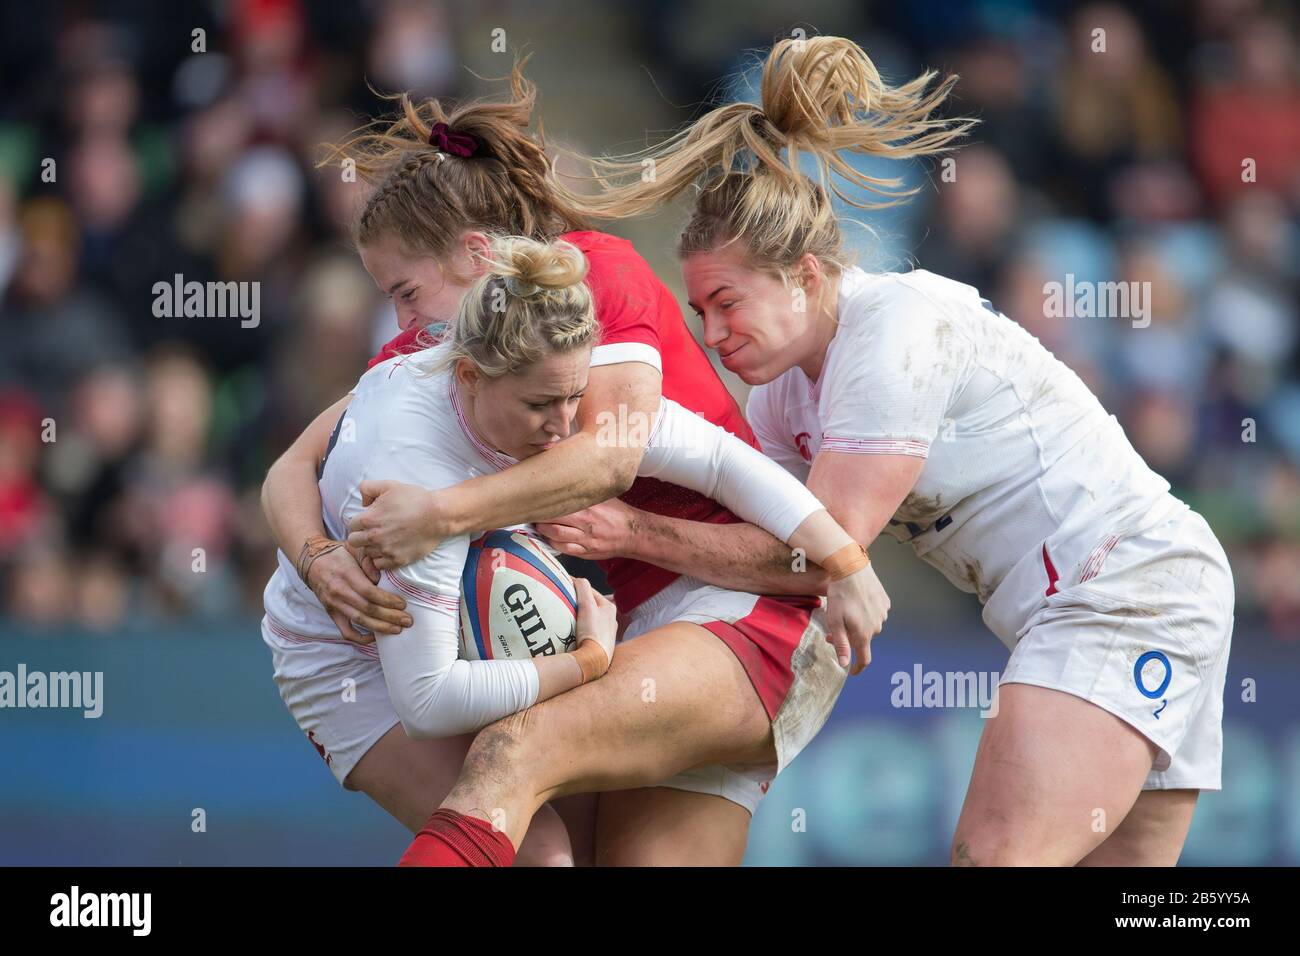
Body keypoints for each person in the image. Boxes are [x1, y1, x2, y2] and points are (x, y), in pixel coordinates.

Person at [542, 34, 1233, 867]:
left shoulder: (892, 330)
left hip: (1122, 586)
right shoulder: (785, 394)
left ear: (803, 274)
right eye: (700, 315)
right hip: (1126, 588)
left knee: (994, 859)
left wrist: (629, 533)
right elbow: (782, 546)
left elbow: (812, 552)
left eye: (728, 303)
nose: (716, 336)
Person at [264, 61, 889, 865]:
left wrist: (442, 516)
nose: (401, 318)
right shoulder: (430, 362)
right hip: (639, 635)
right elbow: (290, 465)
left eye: (406, 290)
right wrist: (316, 559)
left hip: (732, 611)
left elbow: (615, 458)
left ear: (476, 253)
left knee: (516, 756)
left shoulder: (587, 279)